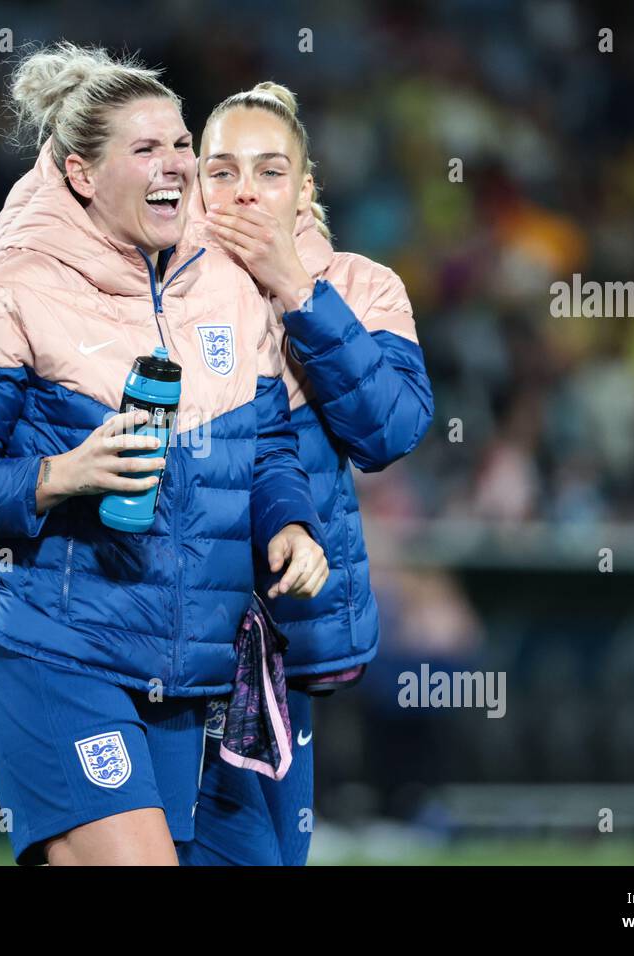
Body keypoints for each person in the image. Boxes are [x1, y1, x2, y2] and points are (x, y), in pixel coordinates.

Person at [0, 45, 327, 866]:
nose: (175, 166)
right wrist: (61, 475)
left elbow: (267, 446)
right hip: (55, 651)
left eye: (179, 145)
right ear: (82, 175)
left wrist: (291, 524)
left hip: (183, 669)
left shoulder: (228, 288)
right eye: (145, 149)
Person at [178, 82, 434, 865]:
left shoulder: (362, 286)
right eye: (220, 171)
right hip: (174, 616)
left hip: (290, 627)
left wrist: (298, 289)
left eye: (270, 170)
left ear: (306, 188)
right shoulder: (158, 285)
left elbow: (388, 429)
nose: (245, 190)